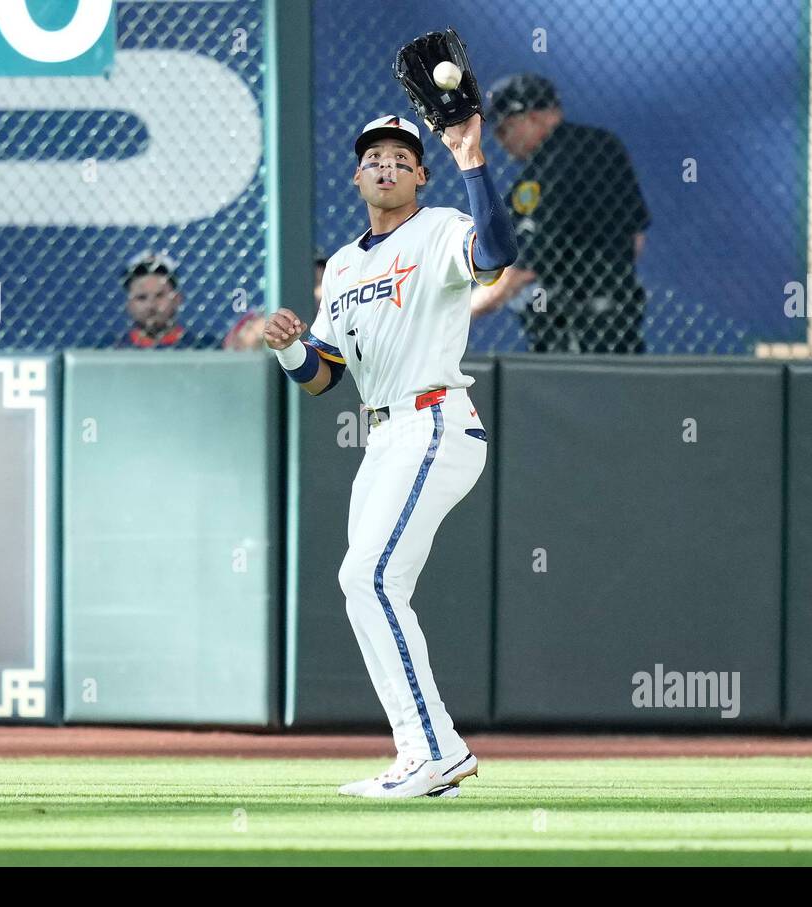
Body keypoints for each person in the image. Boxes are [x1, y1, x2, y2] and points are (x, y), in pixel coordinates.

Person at [263, 113, 517, 799]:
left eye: (402, 158)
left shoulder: (437, 229)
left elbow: (496, 254)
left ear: (420, 176)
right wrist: (290, 346)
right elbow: (324, 376)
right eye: (373, 156)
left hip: (434, 420)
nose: (386, 165)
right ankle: (420, 753)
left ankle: (436, 750)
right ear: (356, 174)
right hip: (382, 437)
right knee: (364, 586)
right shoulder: (343, 266)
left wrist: (470, 158)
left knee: (370, 578)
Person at [472, 73, 651, 354]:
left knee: (566, 393)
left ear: (531, 118)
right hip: (618, 315)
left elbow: (520, 271)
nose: (500, 139)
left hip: (571, 330)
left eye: (505, 128)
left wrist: (461, 311)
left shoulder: (545, 168)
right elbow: (636, 238)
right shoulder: (604, 144)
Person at [113, 251, 188, 349]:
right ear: (129, 304)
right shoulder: (111, 351)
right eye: (141, 297)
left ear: (177, 299)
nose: (151, 305)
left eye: (159, 295)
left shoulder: (204, 349)